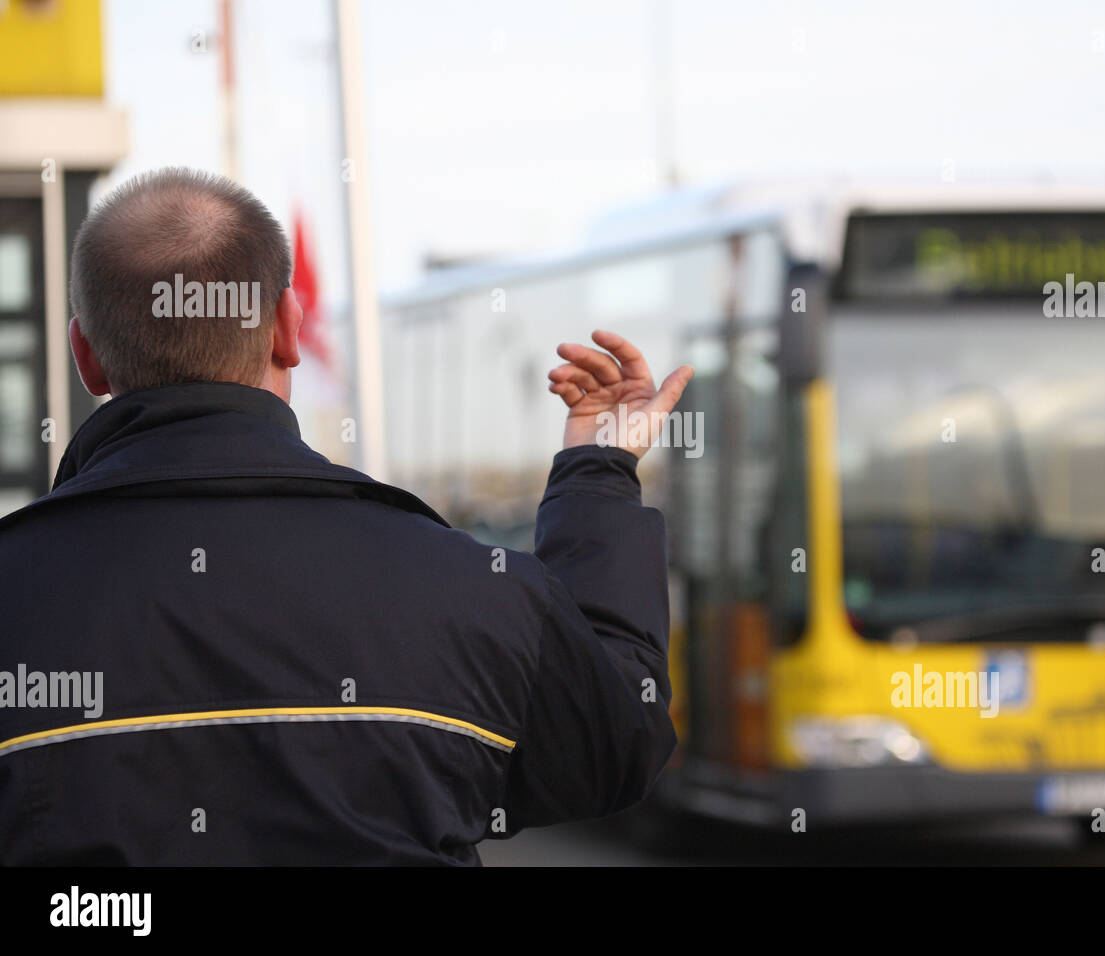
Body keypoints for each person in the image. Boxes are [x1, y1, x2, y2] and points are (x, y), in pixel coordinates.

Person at [0, 167, 692, 865]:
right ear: (286, 329)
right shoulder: (466, 587)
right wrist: (598, 472)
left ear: (85, 355)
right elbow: (615, 745)